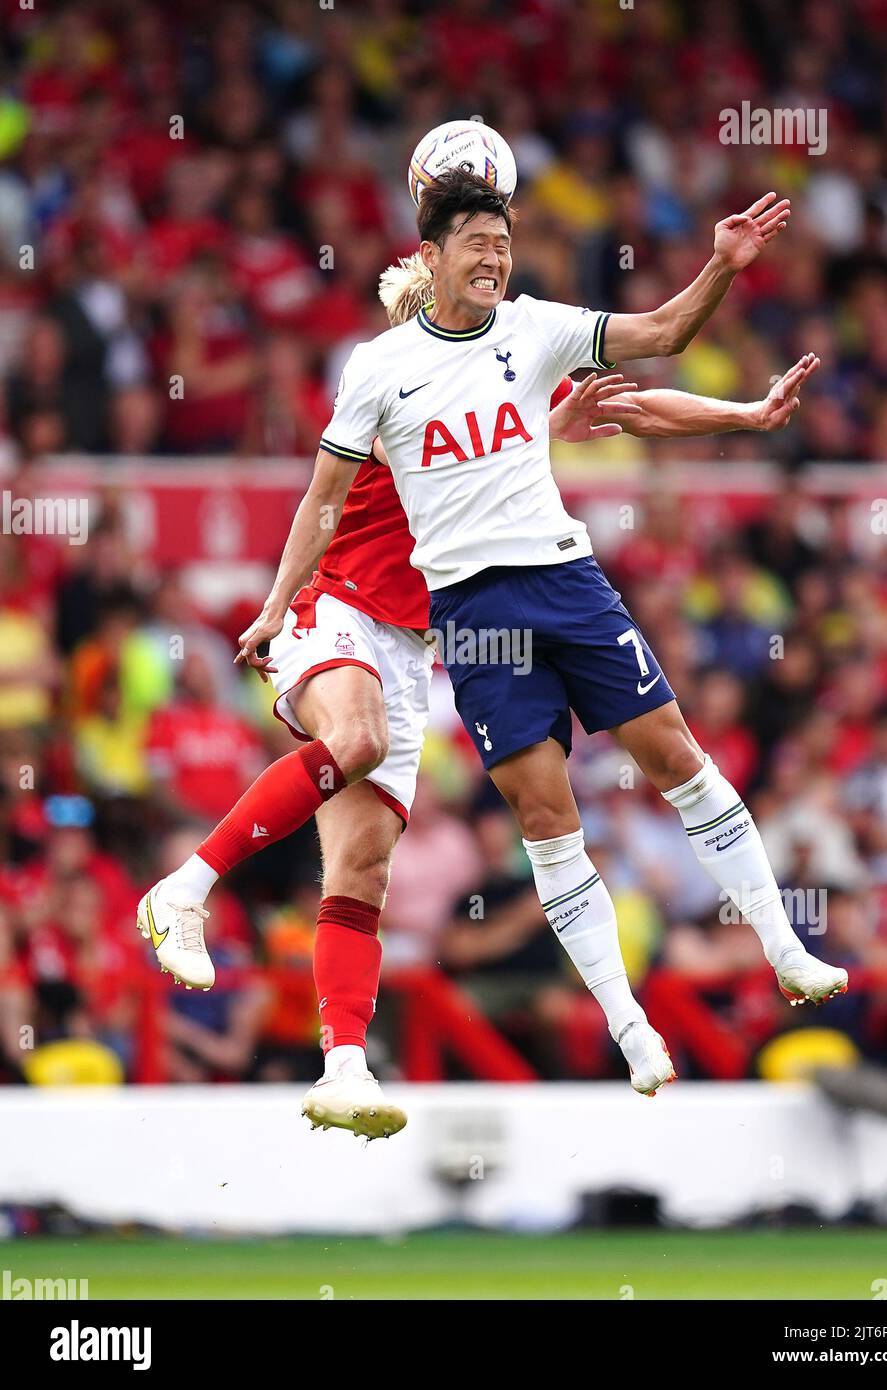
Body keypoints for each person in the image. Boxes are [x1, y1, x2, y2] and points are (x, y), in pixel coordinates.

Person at [143, 180, 821, 1135]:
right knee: (363, 742)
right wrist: (266, 606)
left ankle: (342, 1067)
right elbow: (323, 501)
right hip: (338, 609)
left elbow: (627, 403)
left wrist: (743, 417)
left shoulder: (495, 387)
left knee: (363, 866)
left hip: (418, 641)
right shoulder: (386, 390)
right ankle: (186, 888)